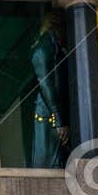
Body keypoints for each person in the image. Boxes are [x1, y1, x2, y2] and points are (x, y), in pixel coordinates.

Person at [27, 11, 69, 169]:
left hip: (55, 114)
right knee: (51, 164)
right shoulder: (43, 47)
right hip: (47, 114)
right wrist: (59, 119)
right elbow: (45, 83)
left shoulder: (56, 47)